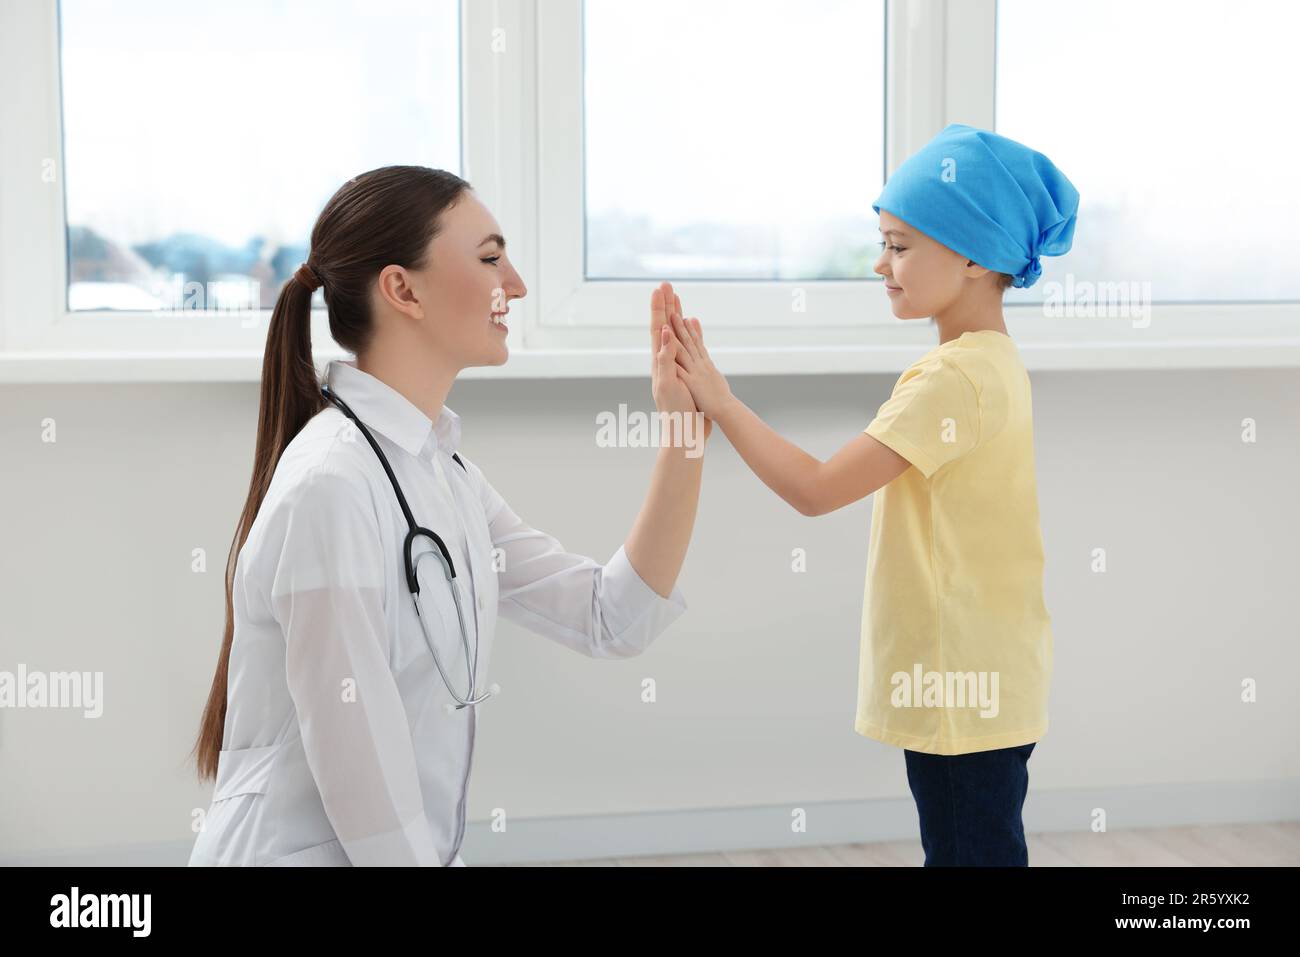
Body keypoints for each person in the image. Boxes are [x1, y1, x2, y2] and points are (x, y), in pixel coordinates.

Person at [189, 166, 708, 866]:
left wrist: (685, 433)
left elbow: (607, 615)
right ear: (402, 288)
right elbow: (360, 774)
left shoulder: (442, 473)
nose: (516, 285)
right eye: (491, 258)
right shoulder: (331, 485)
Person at [663, 125, 1077, 866]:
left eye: (900, 244)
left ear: (975, 255)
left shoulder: (952, 380)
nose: (880, 264)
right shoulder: (993, 364)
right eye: (882, 243)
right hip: (991, 676)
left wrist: (719, 402)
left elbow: (817, 490)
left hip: (961, 685)